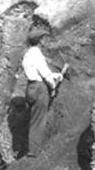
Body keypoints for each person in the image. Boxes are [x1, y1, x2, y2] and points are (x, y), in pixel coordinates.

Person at [21, 29, 65, 157]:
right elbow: (45, 74)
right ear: (39, 41)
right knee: (38, 120)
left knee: (32, 117)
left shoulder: (27, 55)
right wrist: (53, 85)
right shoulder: (37, 55)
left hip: (30, 87)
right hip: (40, 88)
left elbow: (37, 72)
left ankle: (29, 147)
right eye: (42, 39)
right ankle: (33, 151)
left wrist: (55, 75)